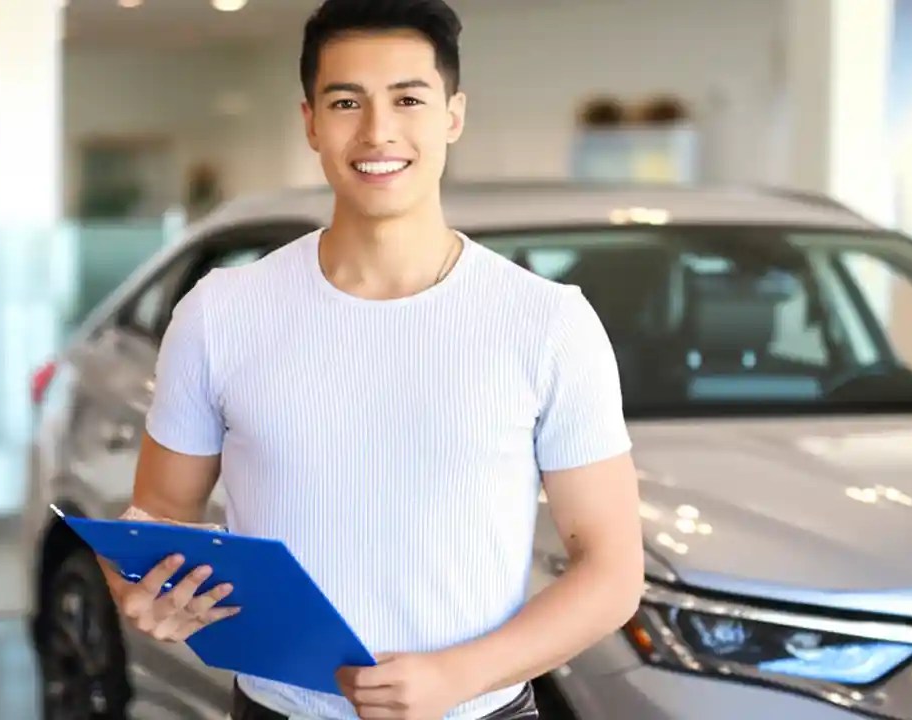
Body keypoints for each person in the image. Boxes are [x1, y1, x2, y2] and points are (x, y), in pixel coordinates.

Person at [100, 1, 645, 718]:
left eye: (408, 99)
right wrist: (141, 588)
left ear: (453, 115)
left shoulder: (547, 323)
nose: (378, 130)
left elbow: (611, 571)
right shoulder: (221, 311)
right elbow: (159, 518)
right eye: (346, 101)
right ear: (311, 123)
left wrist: (461, 674)